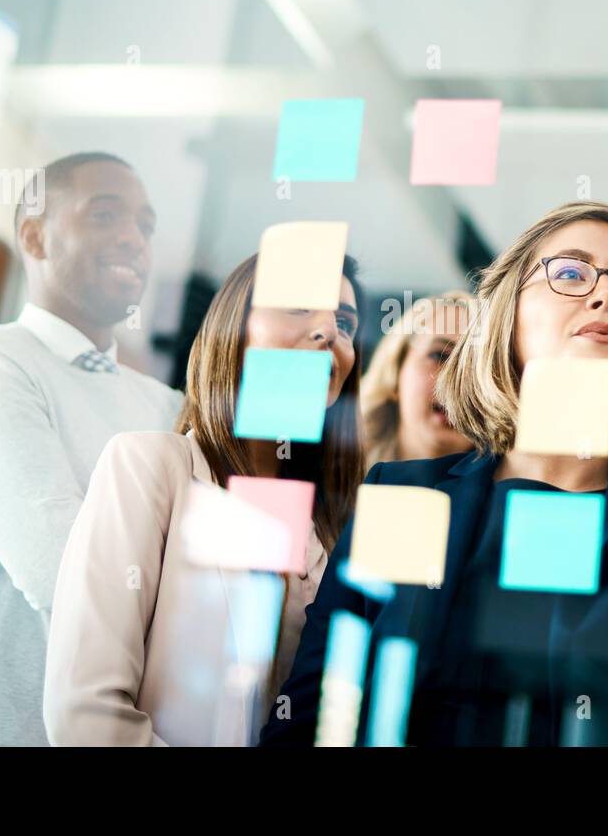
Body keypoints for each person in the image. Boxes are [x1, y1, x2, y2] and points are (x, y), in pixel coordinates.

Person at [262, 189, 608, 746]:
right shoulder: (403, 494)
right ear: (507, 319)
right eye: (570, 272)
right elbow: (310, 715)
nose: (606, 296)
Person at [0, 152, 182, 747]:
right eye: (105, 216)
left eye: (146, 226)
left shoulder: (167, 406)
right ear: (34, 237)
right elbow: (62, 572)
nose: (133, 238)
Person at [43, 253, 366, 745]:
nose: (328, 332)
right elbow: (85, 712)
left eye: (345, 322)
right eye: (300, 307)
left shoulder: (332, 533)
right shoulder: (150, 467)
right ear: (235, 329)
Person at [359, 290, 474, 468]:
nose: (459, 381)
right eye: (439, 356)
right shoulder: (332, 477)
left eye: (477, 369)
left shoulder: (511, 491)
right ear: (396, 371)